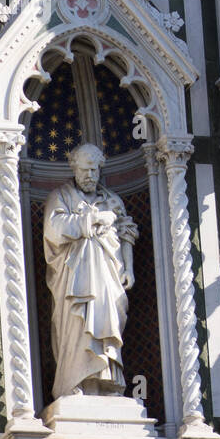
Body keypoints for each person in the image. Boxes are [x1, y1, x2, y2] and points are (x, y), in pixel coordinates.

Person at [42, 143, 138, 399]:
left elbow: (127, 232)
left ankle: (107, 383)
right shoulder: (60, 197)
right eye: (85, 170)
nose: (90, 175)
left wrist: (128, 267)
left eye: (94, 170)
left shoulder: (112, 200)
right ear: (74, 167)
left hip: (108, 276)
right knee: (77, 327)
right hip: (74, 280)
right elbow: (54, 229)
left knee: (109, 321)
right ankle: (73, 382)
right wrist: (92, 220)